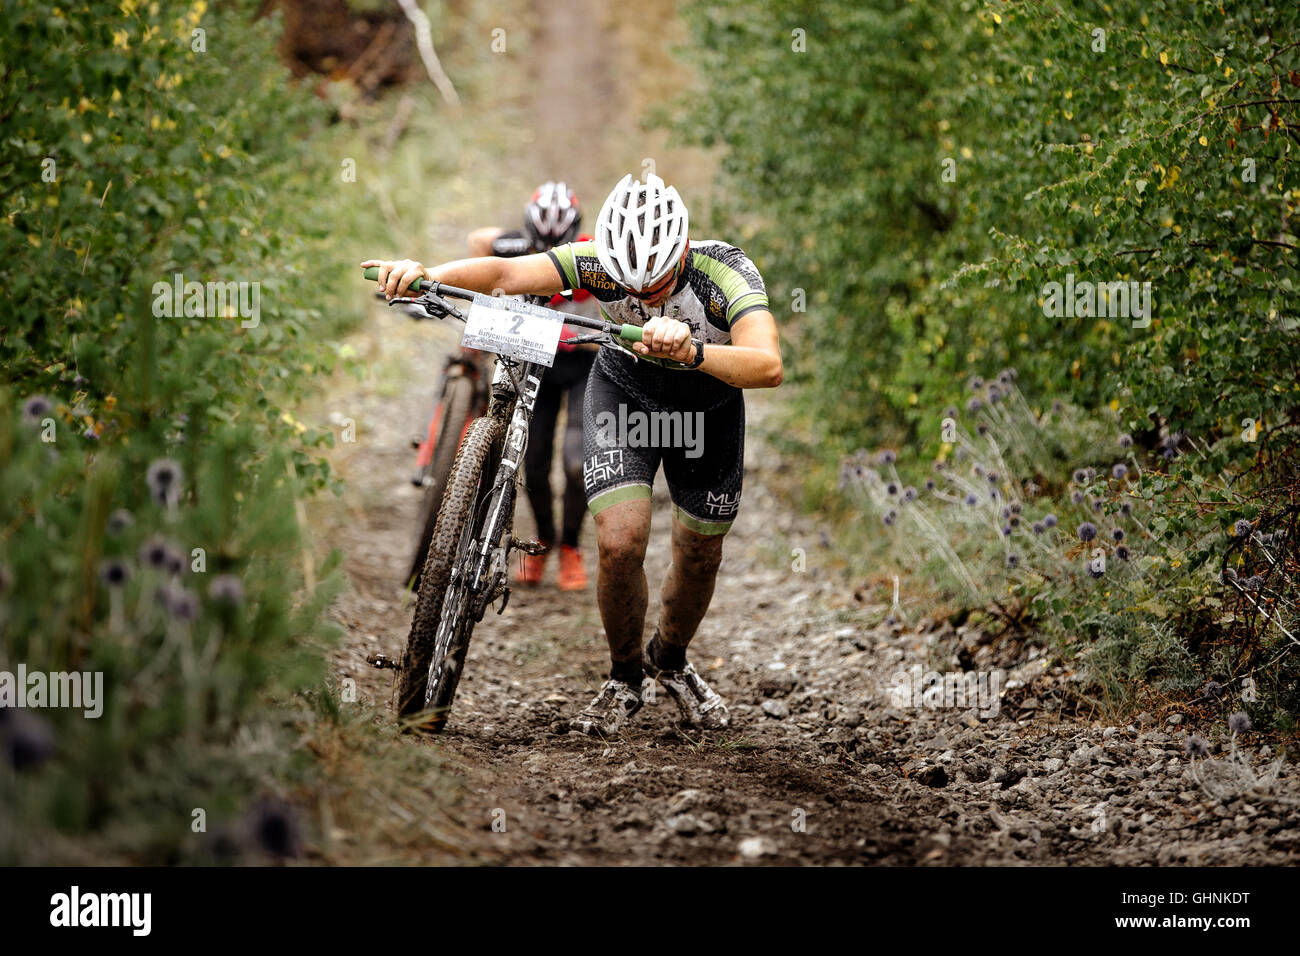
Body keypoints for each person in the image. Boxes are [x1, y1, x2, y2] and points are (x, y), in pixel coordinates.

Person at [362, 172, 782, 737]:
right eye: (626, 282)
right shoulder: (595, 260)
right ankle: (624, 677)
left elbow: (768, 364)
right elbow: (508, 272)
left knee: (700, 550)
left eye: (655, 284)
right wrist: (425, 273)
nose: (640, 295)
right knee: (618, 542)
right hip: (626, 393)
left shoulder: (725, 270)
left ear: (682, 249)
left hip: (707, 407)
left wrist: (695, 350)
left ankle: (672, 660)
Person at [466, 182, 596, 591]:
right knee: (533, 464)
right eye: (541, 247)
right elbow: (477, 240)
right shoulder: (516, 246)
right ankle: (544, 539)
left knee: (576, 464)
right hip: (537, 359)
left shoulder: (595, 252)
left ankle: (571, 548)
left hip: (584, 364)